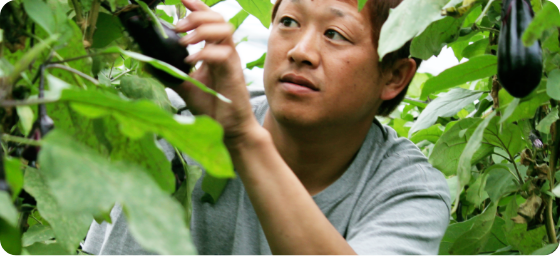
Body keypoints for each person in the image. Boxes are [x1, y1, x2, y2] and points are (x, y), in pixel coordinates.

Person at [83, 0, 451, 255]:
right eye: (289, 22)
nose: (301, 50)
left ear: (395, 76)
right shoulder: (178, 134)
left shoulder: (407, 191)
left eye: (335, 33)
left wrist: (241, 137)